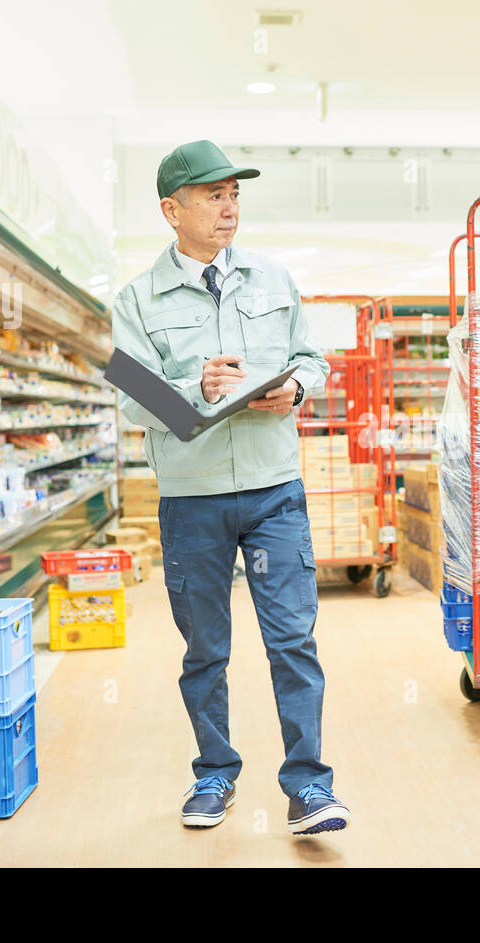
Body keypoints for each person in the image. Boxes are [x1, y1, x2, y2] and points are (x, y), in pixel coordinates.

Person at [111, 139, 349, 835]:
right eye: (213, 194)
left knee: (293, 639)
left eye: (235, 194)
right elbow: (132, 395)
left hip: (275, 489)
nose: (228, 206)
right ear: (170, 209)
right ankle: (214, 774)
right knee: (206, 648)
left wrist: (298, 386)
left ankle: (309, 785)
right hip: (193, 499)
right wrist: (195, 387)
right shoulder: (138, 298)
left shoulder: (274, 281)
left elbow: (312, 357)